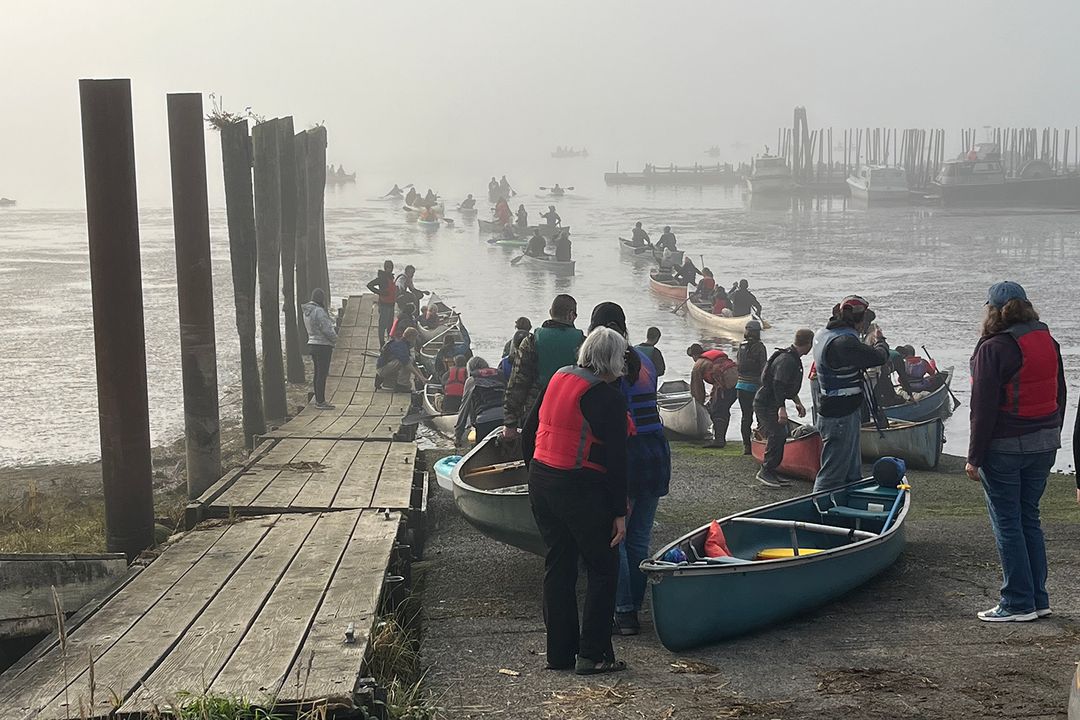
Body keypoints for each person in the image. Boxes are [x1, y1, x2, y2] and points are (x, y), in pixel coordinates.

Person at [522, 327, 630, 675]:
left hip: (542, 478)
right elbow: (617, 459)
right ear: (613, 360)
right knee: (603, 567)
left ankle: (559, 654)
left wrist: (535, 471)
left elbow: (529, 430)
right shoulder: (606, 396)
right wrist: (619, 512)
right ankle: (593, 654)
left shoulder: (559, 377)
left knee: (559, 564)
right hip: (578, 486)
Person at [967, 282, 1066, 622]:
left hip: (1005, 448)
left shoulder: (993, 348)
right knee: (1029, 519)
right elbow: (1060, 393)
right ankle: (1038, 598)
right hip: (1045, 443)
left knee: (1008, 523)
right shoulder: (1048, 341)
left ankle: (1017, 601)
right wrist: (1054, 433)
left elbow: (983, 408)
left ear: (992, 311)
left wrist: (974, 457)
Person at [588, 304, 671, 638]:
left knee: (617, 538)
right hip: (657, 453)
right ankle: (633, 610)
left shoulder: (609, 366)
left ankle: (622, 612)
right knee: (639, 538)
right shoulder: (645, 358)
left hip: (629, 454)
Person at [812, 295, 890, 492]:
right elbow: (879, 357)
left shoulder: (823, 334)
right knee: (832, 473)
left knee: (851, 472)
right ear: (859, 319)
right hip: (841, 414)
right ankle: (819, 512)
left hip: (835, 409)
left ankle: (847, 511)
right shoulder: (844, 342)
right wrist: (880, 341)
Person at [503, 294, 584, 436]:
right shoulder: (583, 343)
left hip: (536, 413)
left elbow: (517, 384)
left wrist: (510, 423)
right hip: (572, 414)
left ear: (550, 313)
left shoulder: (531, 341)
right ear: (571, 315)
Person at [754, 329, 814, 487]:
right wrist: (781, 408)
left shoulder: (793, 357)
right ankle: (765, 471)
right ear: (808, 343)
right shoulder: (787, 360)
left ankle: (772, 471)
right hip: (766, 403)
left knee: (781, 433)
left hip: (772, 401)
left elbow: (787, 385)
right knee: (777, 433)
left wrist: (797, 401)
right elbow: (778, 384)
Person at [688, 343, 739, 448]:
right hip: (738, 382)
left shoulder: (698, 364)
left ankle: (719, 441)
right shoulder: (712, 358)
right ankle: (721, 438)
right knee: (723, 409)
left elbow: (697, 388)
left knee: (716, 411)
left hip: (725, 384)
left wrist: (700, 404)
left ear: (694, 355)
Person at [454, 357, 507, 446]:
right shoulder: (500, 374)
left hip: (484, 420)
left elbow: (464, 408)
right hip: (505, 418)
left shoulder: (472, 379)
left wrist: (458, 435)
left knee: (485, 453)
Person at [302, 288, 338, 410]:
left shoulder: (307, 312)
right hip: (323, 345)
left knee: (317, 373)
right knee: (322, 374)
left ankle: (318, 398)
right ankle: (321, 401)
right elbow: (327, 329)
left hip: (312, 343)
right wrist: (335, 339)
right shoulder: (319, 311)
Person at [735, 320, 767, 455]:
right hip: (755, 387)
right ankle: (761, 444)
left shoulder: (741, 346)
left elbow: (738, 364)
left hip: (741, 386)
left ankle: (746, 447)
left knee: (746, 417)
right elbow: (764, 368)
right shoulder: (760, 347)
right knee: (761, 417)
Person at [375, 327, 425, 391]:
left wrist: (423, 377)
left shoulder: (403, 343)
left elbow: (414, 363)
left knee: (410, 360)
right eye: (415, 339)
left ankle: (397, 382)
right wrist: (419, 377)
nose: (415, 341)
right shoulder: (400, 345)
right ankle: (402, 384)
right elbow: (407, 363)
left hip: (387, 365)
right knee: (405, 362)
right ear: (411, 337)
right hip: (382, 369)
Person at [366, 260, 396, 345]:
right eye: (388, 267)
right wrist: (380, 292)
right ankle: (382, 344)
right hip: (384, 305)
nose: (390, 269)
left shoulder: (391, 277)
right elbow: (369, 285)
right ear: (385, 268)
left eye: (391, 267)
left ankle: (389, 343)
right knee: (382, 326)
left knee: (390, 325)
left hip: (391, 304)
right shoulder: (382, 278)